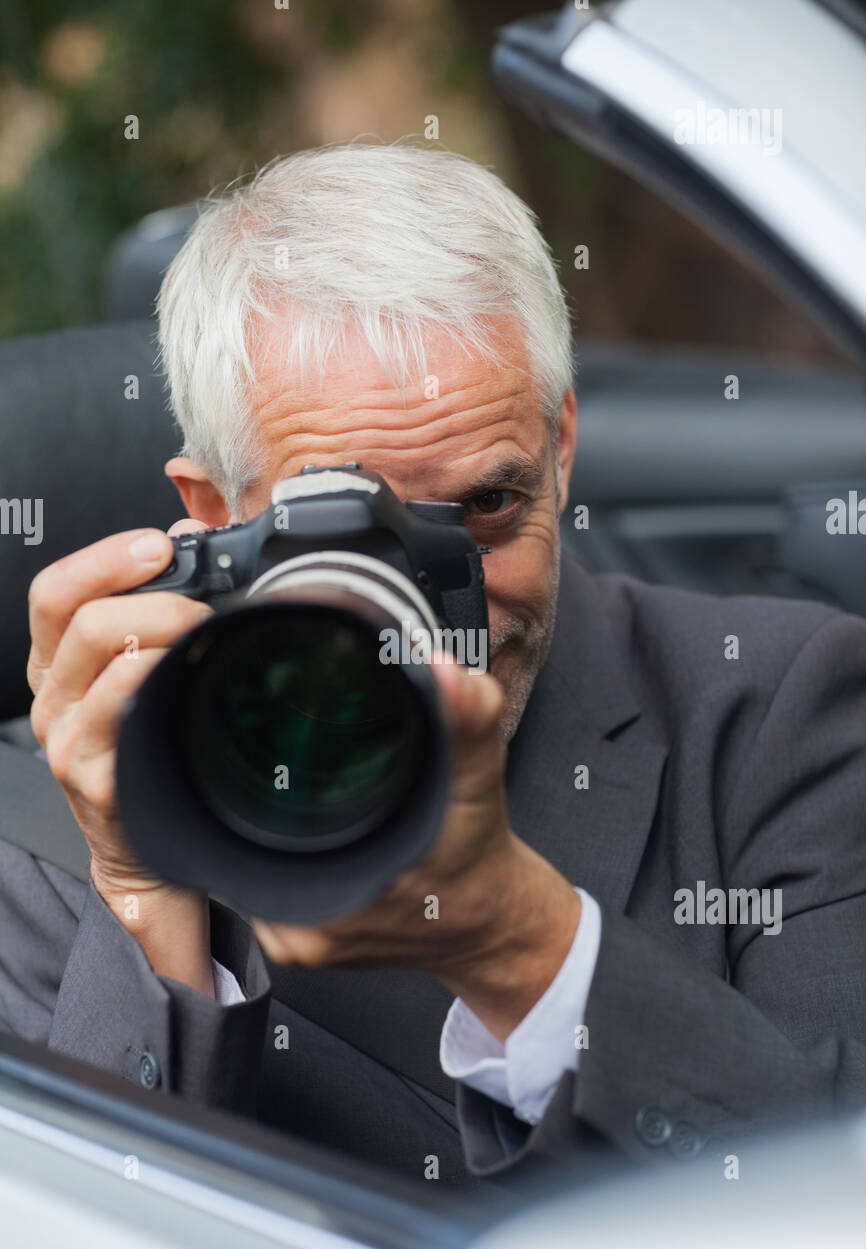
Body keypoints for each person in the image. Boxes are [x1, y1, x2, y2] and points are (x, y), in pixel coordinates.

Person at [4, 145, 866, 1184]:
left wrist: (519, 939)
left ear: (558, 451)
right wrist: (142, 888)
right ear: (214, 514)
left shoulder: (780, 711)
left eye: (486, 508)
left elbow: (829, 1206)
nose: (434, 606)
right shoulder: (64, 817)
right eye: (356, 539)